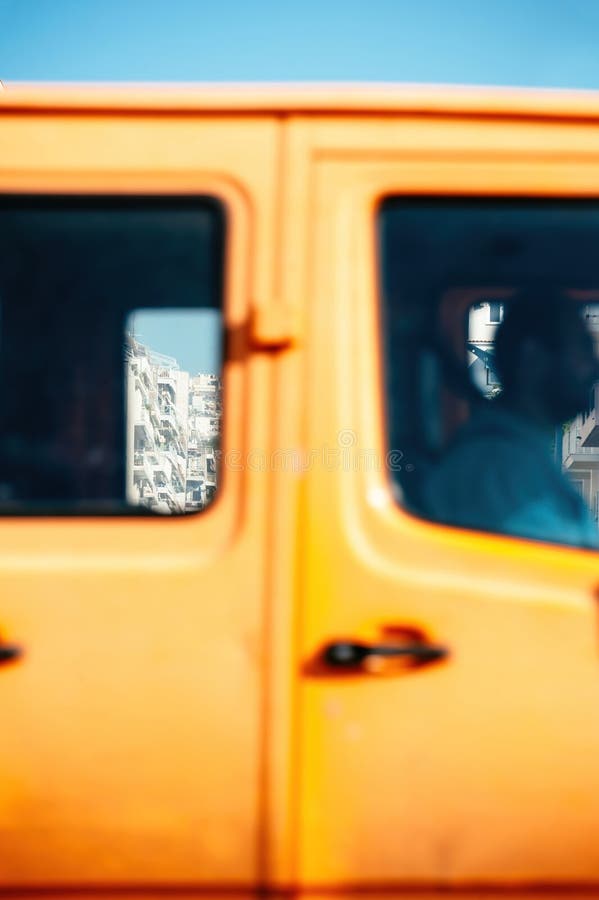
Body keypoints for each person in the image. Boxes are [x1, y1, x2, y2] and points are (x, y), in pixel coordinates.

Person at [421, 288, 599, 549]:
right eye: (582, 350)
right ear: (534, 357)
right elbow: (556, 569)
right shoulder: (496, 467)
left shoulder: (520, 455)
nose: (593, 368)